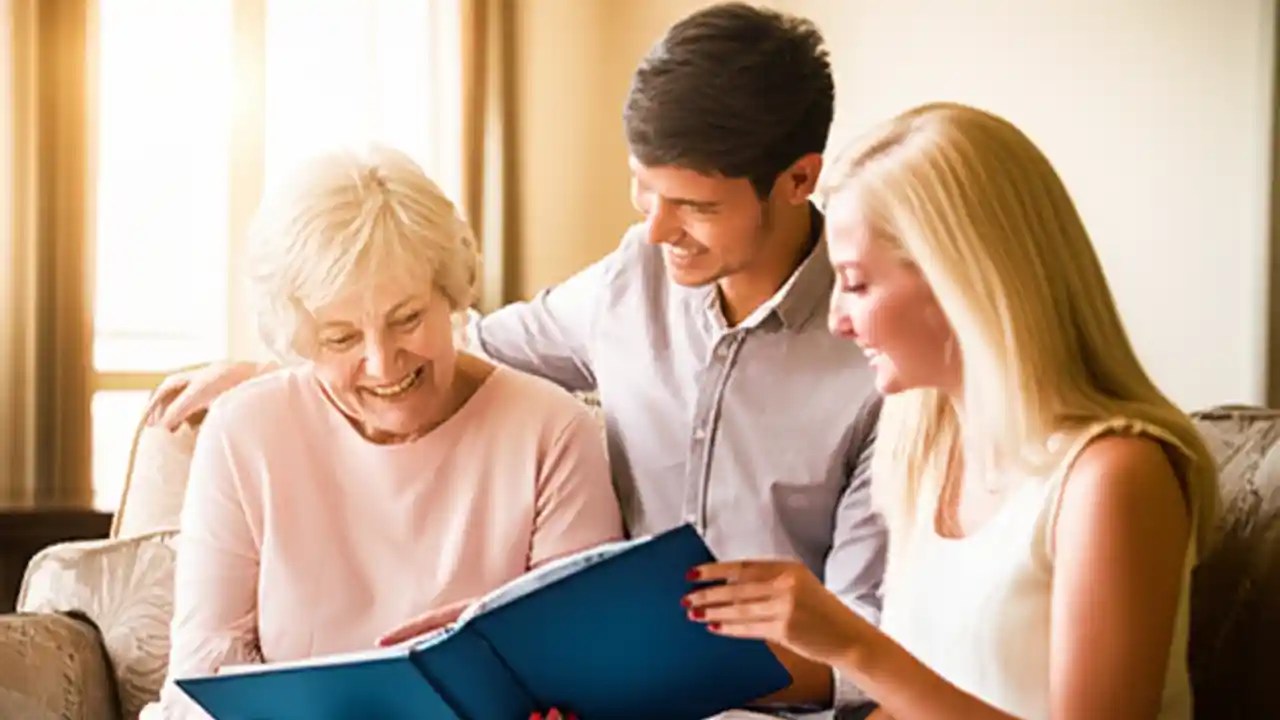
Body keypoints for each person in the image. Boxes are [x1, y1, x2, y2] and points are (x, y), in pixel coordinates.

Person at [144, 4, 883, 716]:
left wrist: (637, 662)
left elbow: (865, 652)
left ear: (798, 179)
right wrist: (294, 373)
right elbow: (451, 348)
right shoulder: (631, 280)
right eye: (643, 189)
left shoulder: (877, 369)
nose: (655, 231)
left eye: (695, 206)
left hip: (765, 707)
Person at [682, 102, 1219, 720]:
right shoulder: (928, 448)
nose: (836, 320)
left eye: (855, 284)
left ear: (963, 279)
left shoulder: (1110, 478)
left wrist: (856, 648)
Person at [143, 145, 623, 719]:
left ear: (450, 293)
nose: (383, 363)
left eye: (407, 319)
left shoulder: (552, 431)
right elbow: (202, 679)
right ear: (300, 339)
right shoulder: (243, 431)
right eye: (342, 338)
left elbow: (583, 675)